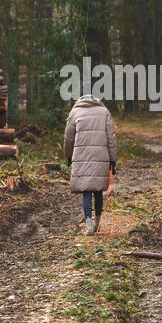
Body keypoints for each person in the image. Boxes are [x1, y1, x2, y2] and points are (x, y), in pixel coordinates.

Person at [64, 94, 117, 235]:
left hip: (82, 157)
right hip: (101, 156)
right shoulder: (104, 112)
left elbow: (68, 138)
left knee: (86, 191)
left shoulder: (75, 112)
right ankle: (98, 222)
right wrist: (113, 160)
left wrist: (68, 156)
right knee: (98, 190)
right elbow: (111, 138)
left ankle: (89, 225)